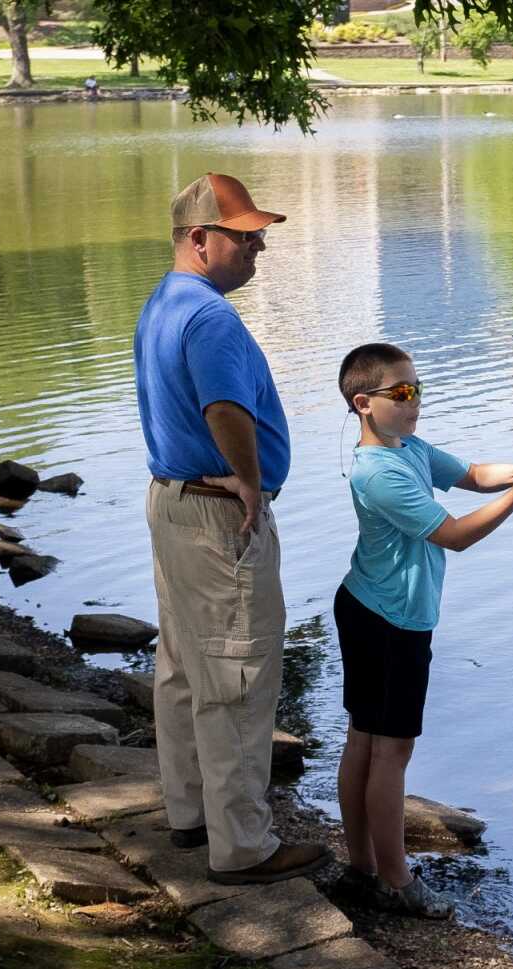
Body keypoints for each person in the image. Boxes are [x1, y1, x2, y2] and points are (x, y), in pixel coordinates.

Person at [135, 172, 332, 885]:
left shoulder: (164, 301)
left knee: (185, 667)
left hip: (171, 502)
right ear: (199, 239)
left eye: (258, 237)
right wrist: (250, 481)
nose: (257, 249)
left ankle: (190, 816)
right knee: (238, 674)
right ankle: (244, 847)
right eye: (244, 237)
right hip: (220, 518)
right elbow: (224, 407)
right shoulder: (211, 318)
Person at [331, 342, 513, 916]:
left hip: (373, 609)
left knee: (366, 739)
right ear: (364, 403)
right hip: (387, 621)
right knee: (390, 750)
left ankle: (362, 870)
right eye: (402, 393)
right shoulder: (378, 473)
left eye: (418, 389)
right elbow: (453, 534)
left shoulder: (406, 448)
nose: (415, 402)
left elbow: (472, 475)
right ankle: (397, 881)